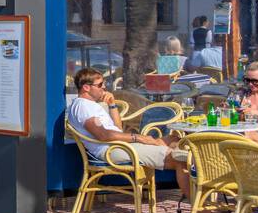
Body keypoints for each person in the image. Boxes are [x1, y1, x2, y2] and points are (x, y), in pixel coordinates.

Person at [67, 68, 189, 200]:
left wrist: (112, 105)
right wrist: (139, 138)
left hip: (117, 145)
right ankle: (201, 211)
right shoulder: (83, 106)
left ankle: (192, 187)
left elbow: (117, 128)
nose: (104, 87)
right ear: (86, 87)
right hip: (111, 150)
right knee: (180, 159)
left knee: (175, 140)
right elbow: (103, 135)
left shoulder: (90, 104)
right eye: (100, 85)